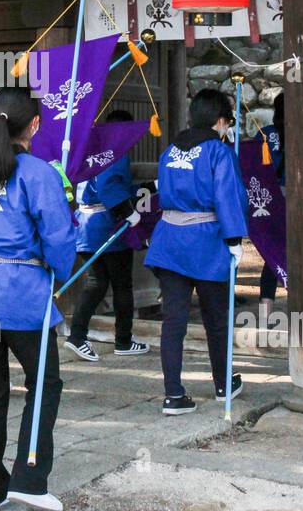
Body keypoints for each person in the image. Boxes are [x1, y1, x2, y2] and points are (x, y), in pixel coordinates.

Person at [0, 88, 76, 511]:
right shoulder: (40, 173)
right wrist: (61, 270)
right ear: (35, 125)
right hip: (20, 294)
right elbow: (58, 237)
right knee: (43, 383)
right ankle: (30, 477)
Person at [145, 88, 248, 415]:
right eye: (227, 122)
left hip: (170, 241)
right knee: (216, 320)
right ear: (220, 120)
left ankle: (173, 394)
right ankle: (223, 383)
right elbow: (229, 196)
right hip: (206, 243)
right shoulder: (219, 152)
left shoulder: (169, 151)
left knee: (173, 321)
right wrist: (235, 239)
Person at [64, 107, 150, 363]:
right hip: (107, 225)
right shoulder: (114, 152)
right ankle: (123, 340)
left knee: (97, 282)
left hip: (85, 225)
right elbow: (109, 187)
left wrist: (147, 188)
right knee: (121, 285)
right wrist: (128, 213)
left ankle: (77, 335)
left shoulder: (91, 149)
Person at [259, 90, 285, 319]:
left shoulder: (266, 134)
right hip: (298, 198)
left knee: (272, 254)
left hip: (270, 198)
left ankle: (265, 311)